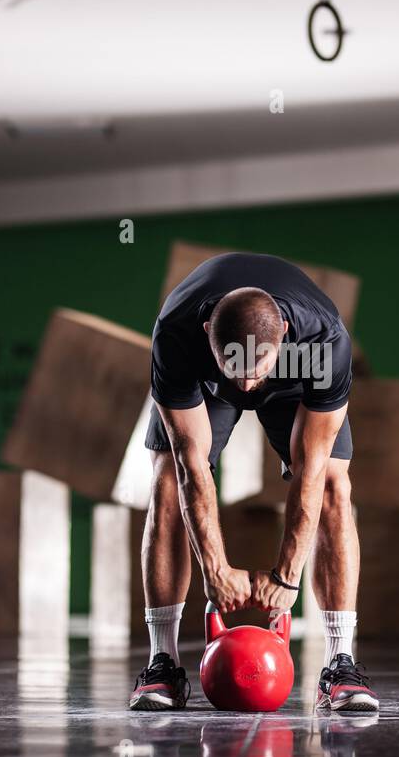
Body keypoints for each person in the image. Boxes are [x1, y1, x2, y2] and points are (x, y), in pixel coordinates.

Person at [129, 252, 378, 713]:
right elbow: (191, 465)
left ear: (284, 333)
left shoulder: (324, 342)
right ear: (209, 335)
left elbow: (312, 469)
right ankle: (161, 663)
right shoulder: (177, 335)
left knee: (333, 489)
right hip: (205, 383)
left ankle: (340, 662)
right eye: (236, 369)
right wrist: (216, 570)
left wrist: (287, 576)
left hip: (295, 382)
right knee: (165, 480)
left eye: (256, 370)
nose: (246, 386)